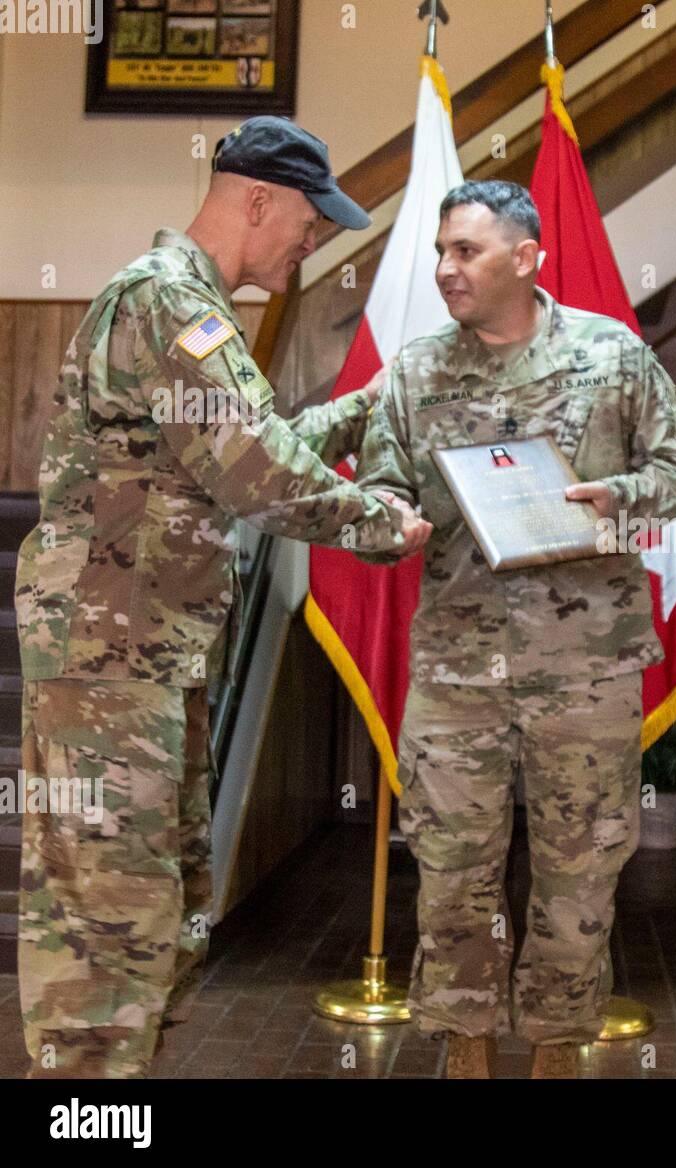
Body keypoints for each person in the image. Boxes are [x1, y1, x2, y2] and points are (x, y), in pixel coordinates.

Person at [14, 116, 432, 1079]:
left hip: (147, 659)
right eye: (309, 221)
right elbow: (257, 472)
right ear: (256, 200)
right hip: (110, 669)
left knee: (161, 915)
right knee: (106, 936)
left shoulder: (191, 311)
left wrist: (369, 403)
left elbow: (246, 444)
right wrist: (379, 524)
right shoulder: (170, 307)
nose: (312, 241)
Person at [354, 179, 676, 1079]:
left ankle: (556, 1056)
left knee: (579, 875)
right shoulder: (416, 370)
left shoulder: (611, 356)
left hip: (584, 666)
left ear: (526, 257)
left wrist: (620, 496)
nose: (445, 270)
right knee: (450, 872)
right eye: (440, 251)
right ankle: (465, 1054)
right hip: (459, 666)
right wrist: (390, 516)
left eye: (466, 251)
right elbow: (383, 480)